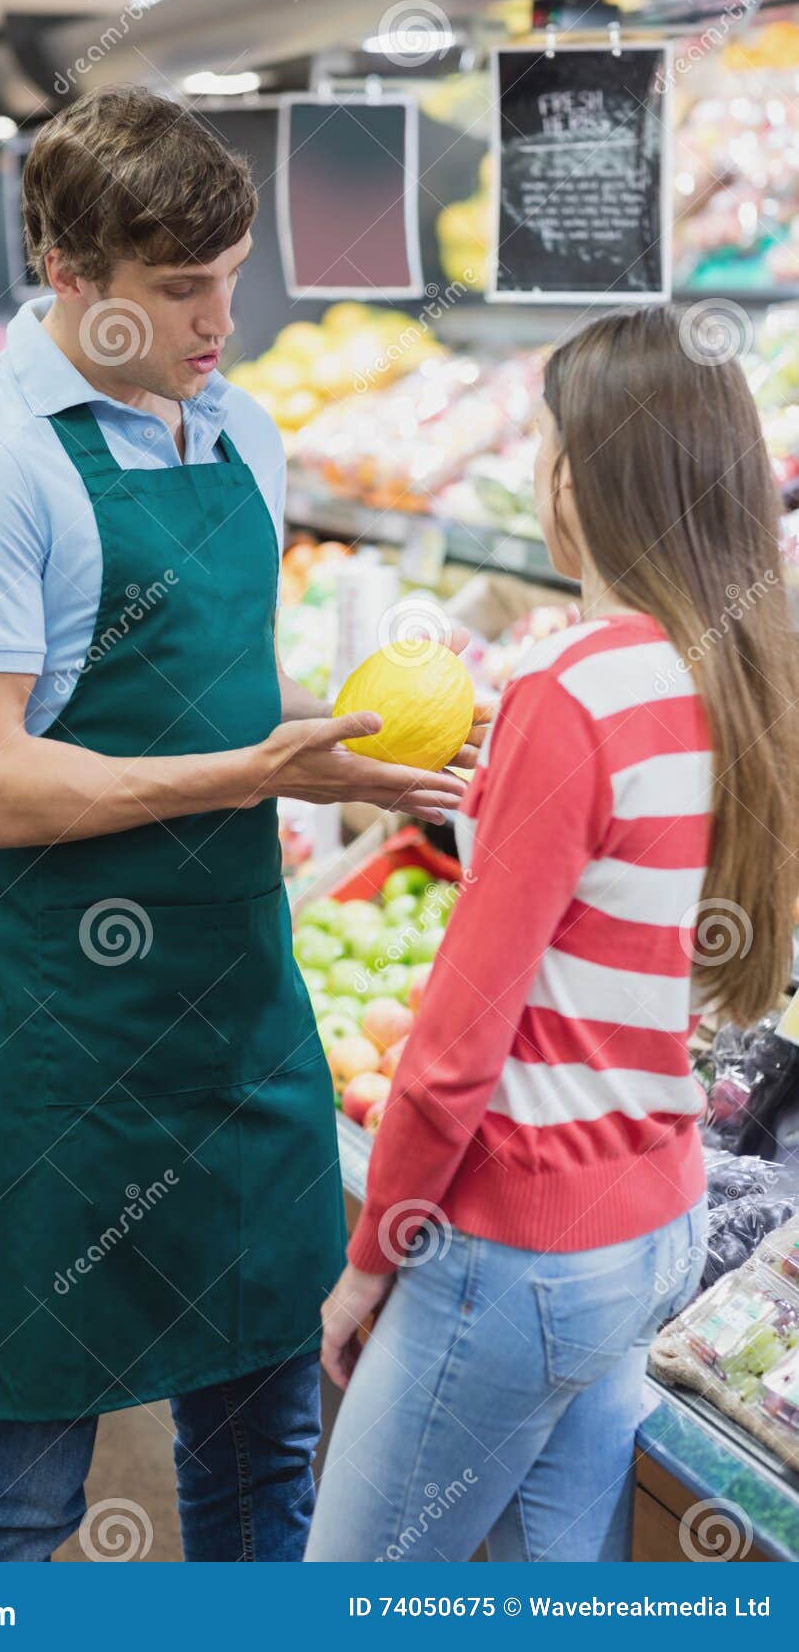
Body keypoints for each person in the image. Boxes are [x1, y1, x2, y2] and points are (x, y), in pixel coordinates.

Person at [0, 85, 481, 1562]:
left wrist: (328, 732)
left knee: (263, 1464)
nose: (221, 321)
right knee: (17, 1487)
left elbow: (200, 685)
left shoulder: (243, 435)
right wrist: (248, 773)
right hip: (70, 1046)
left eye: (228, 278)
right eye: (178, 291)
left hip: (243, 1025)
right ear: (70, 277)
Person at [306, 304, 799, 1563]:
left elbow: (461, 1039)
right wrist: (513, 784)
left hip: (517, 1250)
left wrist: (371, 1254)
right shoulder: (731, 670)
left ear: (573, 480)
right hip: (652, 1220)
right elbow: (621, 910)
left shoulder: (567, 689)